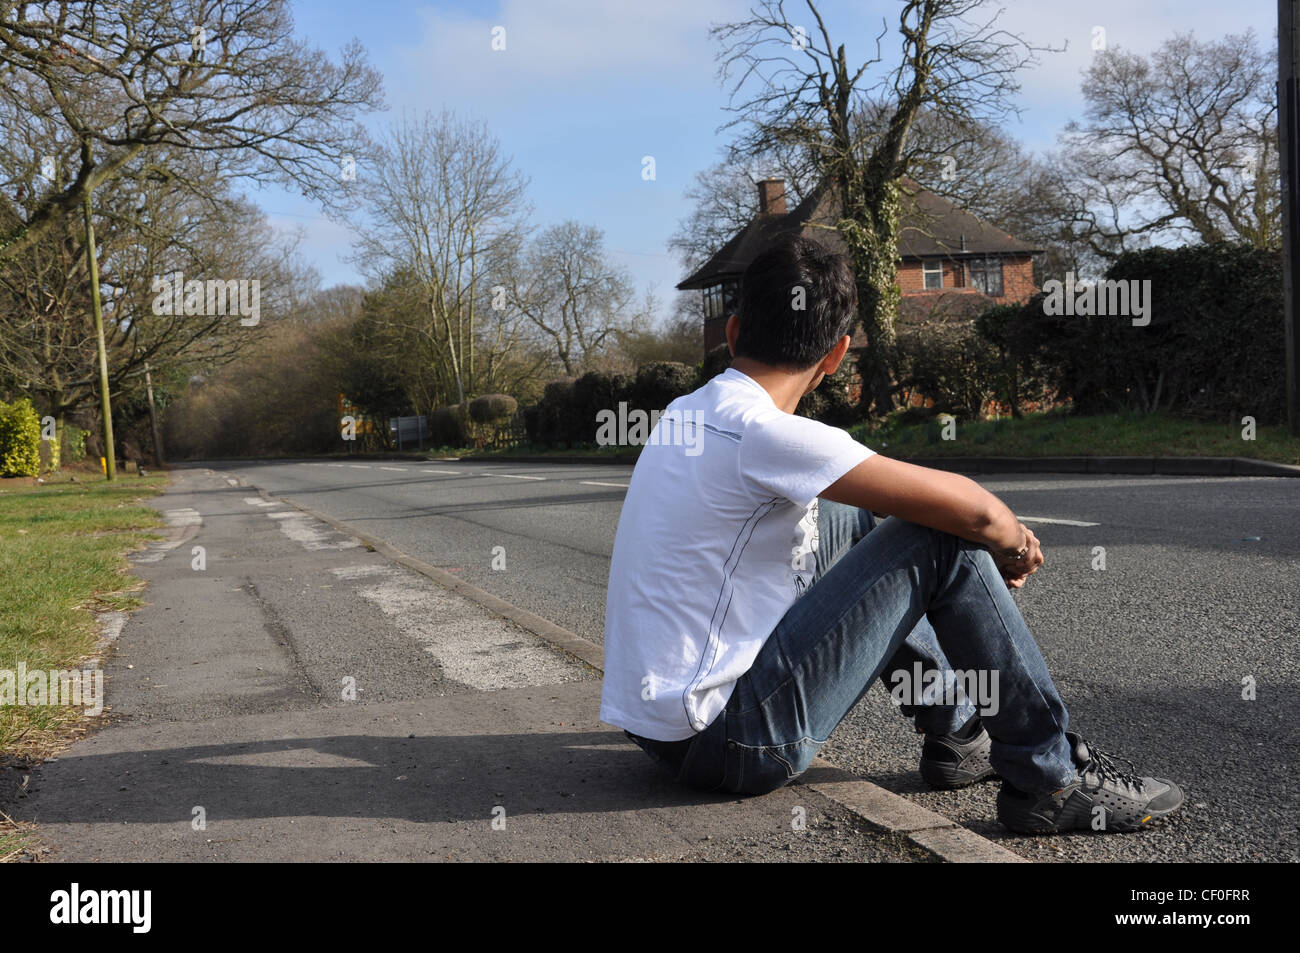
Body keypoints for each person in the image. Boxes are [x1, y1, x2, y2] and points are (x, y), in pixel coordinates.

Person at [599, 235, 1183, 834]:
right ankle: (1051, 775)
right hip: (732, 744)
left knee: (846, 517)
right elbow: (976, 514)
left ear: (733, 331)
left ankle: (956, 728)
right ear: (836, 355)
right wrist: (1014, 547)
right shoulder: (765, 432)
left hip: (659, 730)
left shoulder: (686, 412)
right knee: (940, 540)